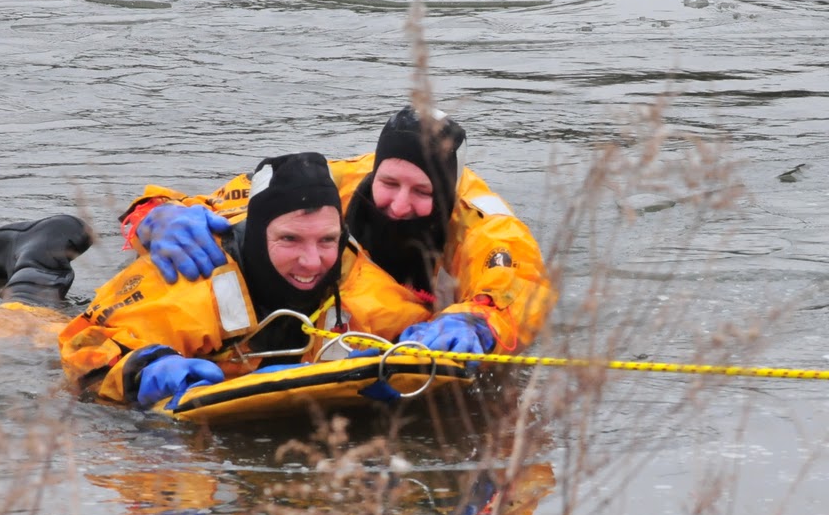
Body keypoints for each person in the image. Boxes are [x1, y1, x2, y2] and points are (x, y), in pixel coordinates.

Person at [120, 105, 552, 356]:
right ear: (374, 172)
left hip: (413, 317)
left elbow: (518, 289)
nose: (399, 205)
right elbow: (224, 206)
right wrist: (157, 217)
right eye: (388, 184)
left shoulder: (485, 226)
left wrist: (478, 325)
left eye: (422, 191)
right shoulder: (337, 181)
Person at [55, 152, 430, 407]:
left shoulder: (365, 286)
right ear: (258, 235)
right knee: (14, 323)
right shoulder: (189, 280)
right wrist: (145, 369)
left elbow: (426, 340)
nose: (312, 261)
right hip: (58, 323)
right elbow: (82, 347)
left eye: (327, 240)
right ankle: (35, 266)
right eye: (290, 239)